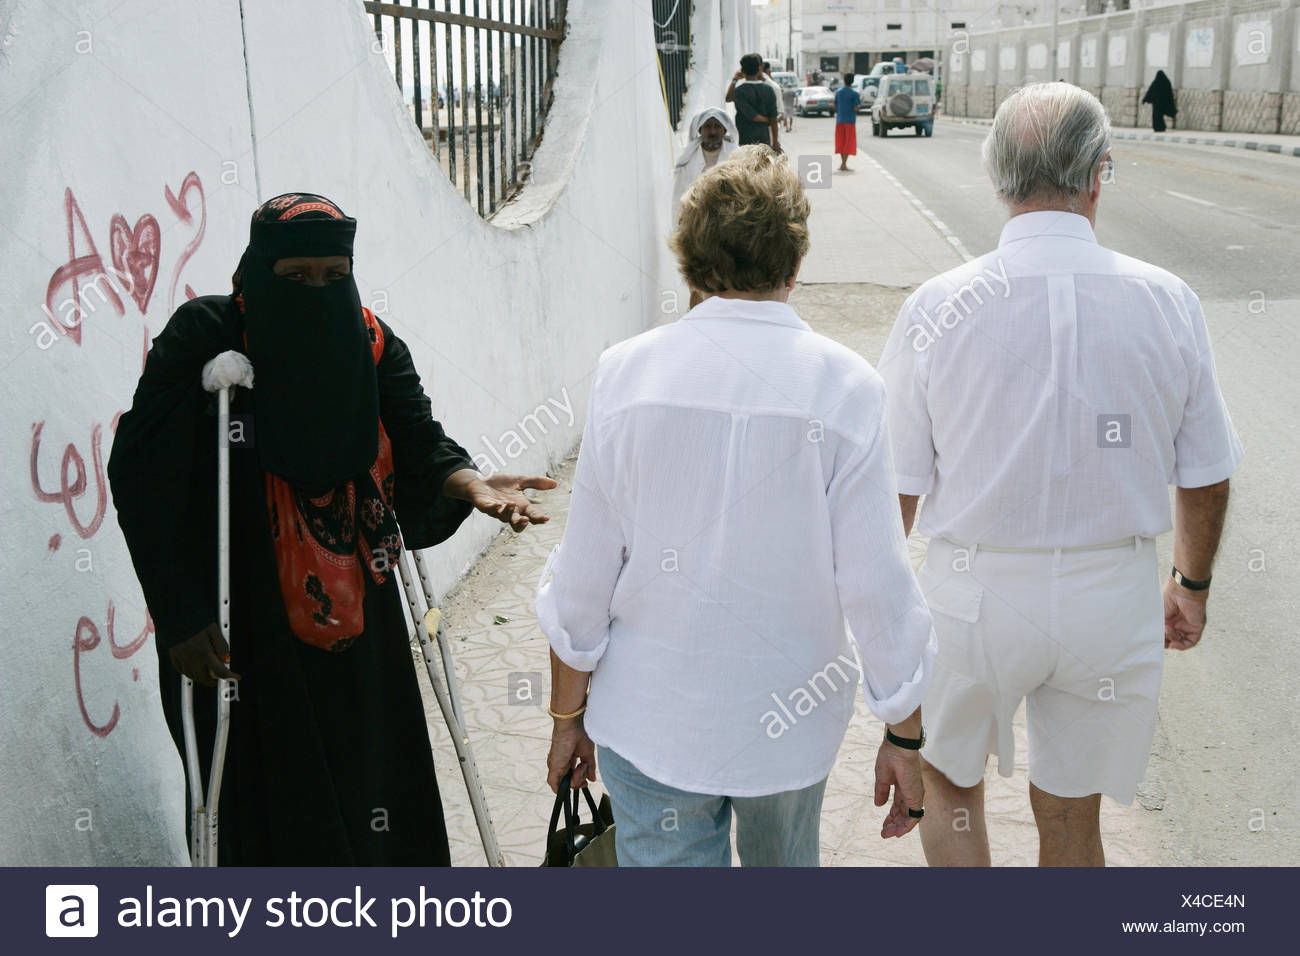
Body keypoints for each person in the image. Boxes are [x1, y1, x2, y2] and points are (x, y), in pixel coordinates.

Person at [108, 193, 556, 865]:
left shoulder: (370, 344)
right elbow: (140, 473)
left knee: (370, 788)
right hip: (235, 627)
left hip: (361, 617)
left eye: (332, 276)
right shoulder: (205, 339)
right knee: (265, 804)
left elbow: (419, 440)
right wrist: (179, 613)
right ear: (258, 275)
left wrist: (470, 484)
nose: (316, 291)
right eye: (294, 278)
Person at [536, 146, 936, 867]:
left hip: (650, 724)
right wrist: (905, 738)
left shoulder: (625, 375)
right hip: (788, 727)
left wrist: (568, 716)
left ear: (689, 261)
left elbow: (584, 581)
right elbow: (878, 589)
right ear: (794, 263)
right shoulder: (847, 389)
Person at [878, 84, 1242, 867]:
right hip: (1107, 597)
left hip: (973, 596)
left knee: (949, 785)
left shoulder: (936, 306)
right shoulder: (1168, 301)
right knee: (1074, 816)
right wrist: (1191, 584)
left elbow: (896, 490)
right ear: (1098, 174)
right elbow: (1206, 472)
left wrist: (881, 631)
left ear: (997, 176)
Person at [672, 108, 738, 310]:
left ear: (724, 130)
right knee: (697, 280)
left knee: (726, 278)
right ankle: (696, 318)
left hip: (726, 226)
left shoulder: (736, 157)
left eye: (717, 126)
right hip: (697, 227)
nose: (712, 131)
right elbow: (679, 198)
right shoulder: (687, 161)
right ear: (699, 130)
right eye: (708, 126)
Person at [725, 53, 780, 149]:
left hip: (745, 138)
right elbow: (773, 118)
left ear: (742, 70)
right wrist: (775, 142)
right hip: (764, 137)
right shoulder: (769, 89)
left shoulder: (739, 91)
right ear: (759, 69)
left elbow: (728, 98)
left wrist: (735, 80)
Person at [834, 73, 861, 171]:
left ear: (844, 80)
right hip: (850, 121)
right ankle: (844, 164)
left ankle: (843, 163)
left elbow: (835, 106)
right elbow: (855, 108)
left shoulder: (838, 92)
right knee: (848, 142)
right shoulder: (854, 93)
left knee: (841, 141)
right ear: (852, 81)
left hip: (840, 120)